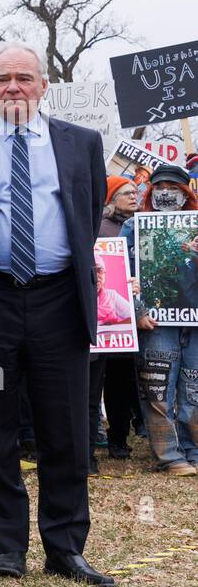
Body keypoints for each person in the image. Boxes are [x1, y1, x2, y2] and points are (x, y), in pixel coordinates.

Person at [0, 41, 114, 587]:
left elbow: (87, 214)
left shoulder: (81, 143)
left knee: (64, 426)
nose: (13, 87)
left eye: (24, 77)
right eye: (2, 79)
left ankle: (65, 547)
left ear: (43, 85)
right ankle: (7, 547)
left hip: (58, 300)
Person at [121, 165, 198, 476]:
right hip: (155, 322)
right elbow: (120, 273)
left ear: (186, 192)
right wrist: (136, 309)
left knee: (194, 390)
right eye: (160, 186)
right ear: (150, 191)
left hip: (194, 323)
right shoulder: (133, 227)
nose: (167, 192)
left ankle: (193, 451)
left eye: (174, 187)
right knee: (157, 389)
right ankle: (169, 456)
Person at [90, 176, 142, 462]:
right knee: (95, 380)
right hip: (99, 320)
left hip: (125, 320)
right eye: (126, 193)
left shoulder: (141, 227)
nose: (133, 196)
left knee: (122, 380)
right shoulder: (98, 228)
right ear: (111, 198)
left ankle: (119, 438)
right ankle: (95, 432)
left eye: (136, 192)